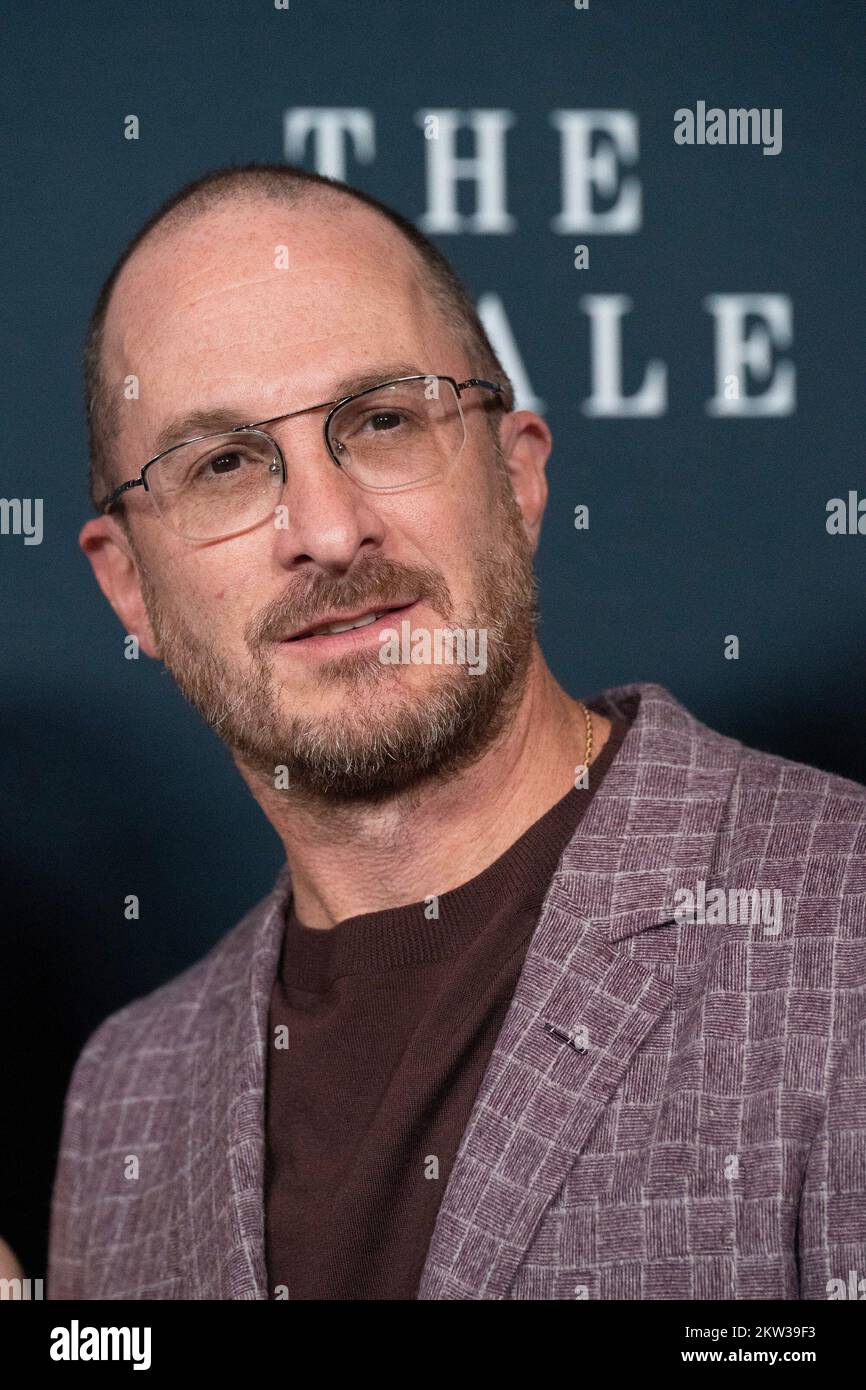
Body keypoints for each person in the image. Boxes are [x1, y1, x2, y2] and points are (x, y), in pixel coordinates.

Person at [48, 163, 866, 1301]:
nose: (327, 532)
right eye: (224, 464)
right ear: (128, 585)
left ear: (518, 475)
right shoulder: (122, 1096)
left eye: (381, 419)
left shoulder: (843, 922)